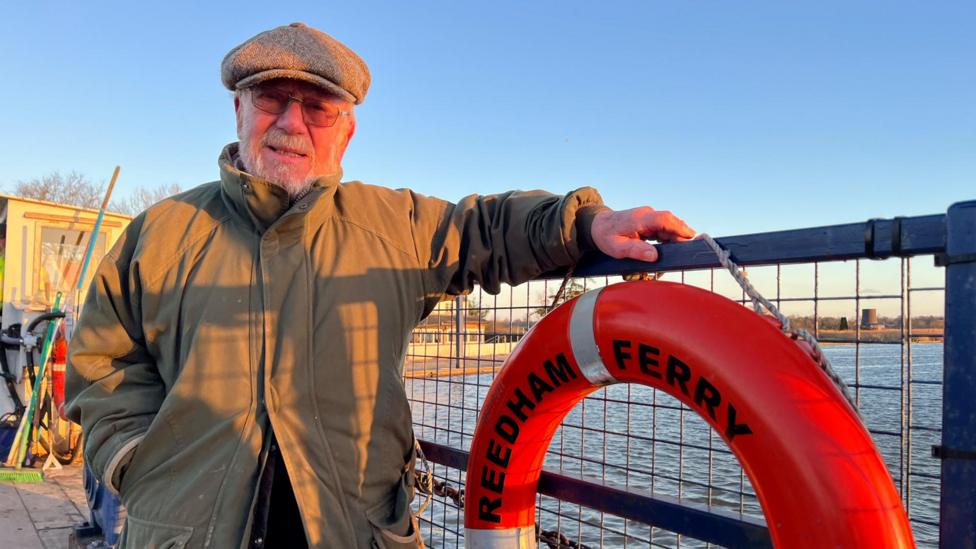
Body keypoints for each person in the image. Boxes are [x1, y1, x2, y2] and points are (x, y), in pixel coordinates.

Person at [65, 22, 694, 549]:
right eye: (271, 98)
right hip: (185, 531)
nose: (291, 123)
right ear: (239, 110)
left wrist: (585, 224)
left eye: (318, 108)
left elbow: (488, 228)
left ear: (347, 131)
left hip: (356, 530)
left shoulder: (394, 226)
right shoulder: (160, 233)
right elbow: (102, 363)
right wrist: (136, 462)